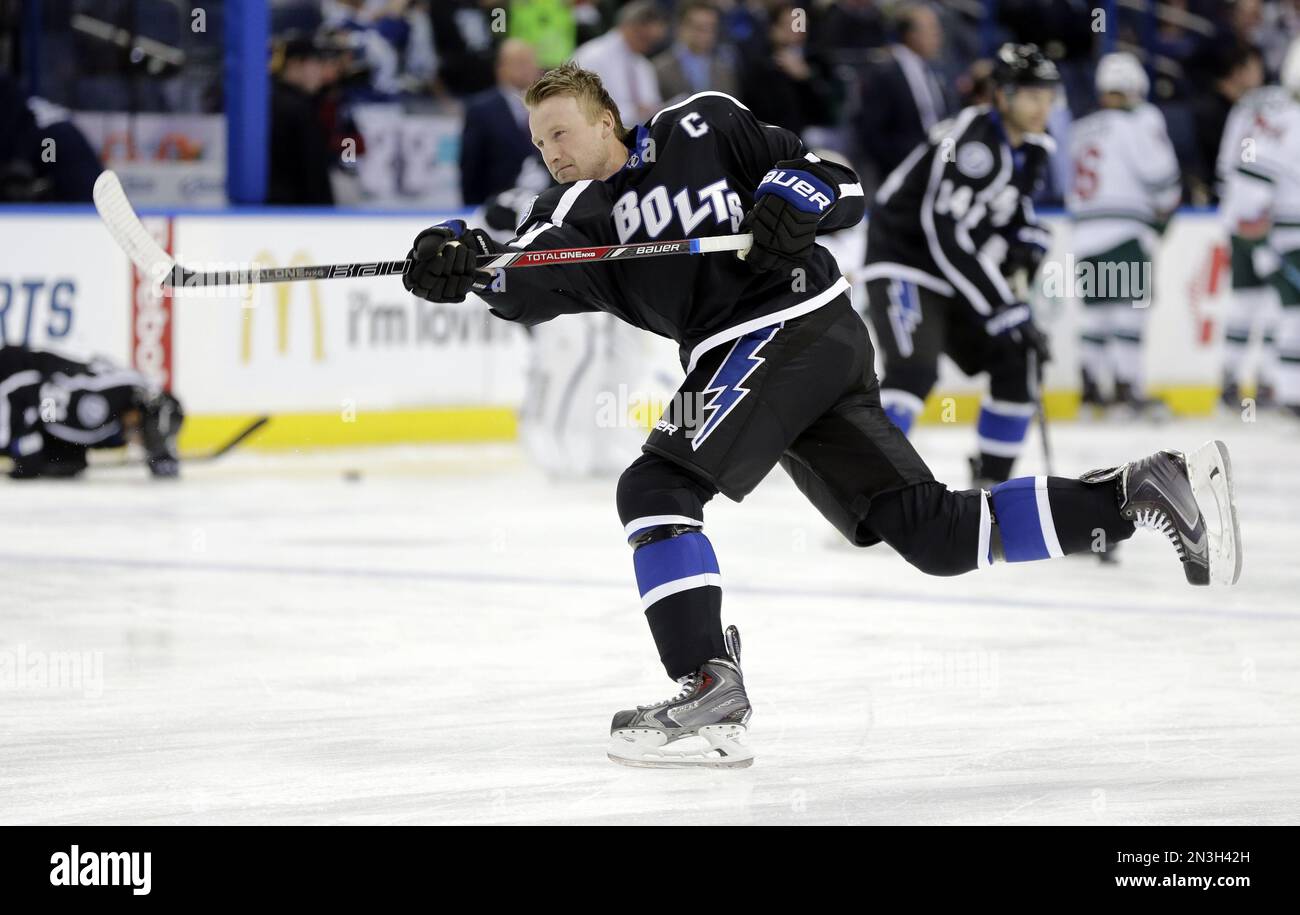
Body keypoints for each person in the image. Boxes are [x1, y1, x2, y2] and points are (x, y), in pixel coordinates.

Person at [400, 62, 1242, 768]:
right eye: (539, 141)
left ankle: (707, 686)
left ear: (609, 118)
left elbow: (836, 180)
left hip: (794, 321)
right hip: (771, 355)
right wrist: (459, 262)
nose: (551, 152)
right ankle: (1134, 492)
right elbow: (511, 279)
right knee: (934, 534)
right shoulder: (570, 224)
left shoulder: (702, 125)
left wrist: (799, 198)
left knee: (655, 487)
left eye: (563, 132)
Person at [863, 43, 1056, 488]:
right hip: (903, 262)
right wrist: (1002, 305)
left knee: (1016, 357)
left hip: (949, 276)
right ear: (1002, 96)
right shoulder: (973, 144)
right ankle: (870, 493)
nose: (1041, 107)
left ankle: (990, 487)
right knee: (913, 370)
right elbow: (945, 233)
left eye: (1047, 97)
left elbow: (1009, 213)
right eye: (1030, 95)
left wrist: (1026, 238)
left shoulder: (1032, 149)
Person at [1066, 52, 1181, 419]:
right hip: (1124, 230)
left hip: (1084, 232)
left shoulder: (1081, 127)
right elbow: (1160, 176)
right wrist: (1165, 208)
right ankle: (1128, 390)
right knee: (1130, 313)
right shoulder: (1139, 120)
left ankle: (1090, 394)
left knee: (1096, 316)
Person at [1225, 38, 1300, 419]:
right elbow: (1253, 181)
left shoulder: (1268, 111)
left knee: (1262, 309)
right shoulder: (1288, 119)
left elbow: (1238, 174)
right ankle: (1286, 390)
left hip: (1263, 226)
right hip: (1282, 232)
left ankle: (1259, 384)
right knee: (1288, 315)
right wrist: (1260, 240)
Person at [0, 346, 182, 479]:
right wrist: (24, 441)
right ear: (136, 415)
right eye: (150, 433)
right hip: (10, 378)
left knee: (69, 462)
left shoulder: (126, 401)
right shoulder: (98, 405)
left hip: (24, 387)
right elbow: (35, 392)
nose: (144, 441)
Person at [1217, 76, 1290, 409]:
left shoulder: (1247, 103)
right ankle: (1270, 384)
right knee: (1281, 303)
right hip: (1265, 218)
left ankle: (1230, 383)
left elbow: (1224, 166)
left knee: (1244, 301)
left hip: (1238, 212)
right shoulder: (1289, 110)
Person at [858, 3, 951, 185]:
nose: (938, 35)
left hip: (934, 168)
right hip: (900, 172)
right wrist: (902, 166)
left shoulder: (933, 72)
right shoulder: (884, 72)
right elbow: (872, 132)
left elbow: (945, 122)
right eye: (931, 29)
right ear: (911, 34)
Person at [460, 39, 545, 206]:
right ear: (501, 69)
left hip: (543, 210)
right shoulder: (481, 110)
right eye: (520, 63)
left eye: (531, 62)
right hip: (497, 210)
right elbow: (471, 168)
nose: (528, 69)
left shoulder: (550, 107)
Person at [572, 0, 667, 126]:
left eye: (652, 42)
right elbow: (580, 106)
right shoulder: (591, 56)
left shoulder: (643, 65)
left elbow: (652, 106)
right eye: (645, 39)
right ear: (631, 28)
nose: (648, 47)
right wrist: (634, 111)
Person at [653, 0, 741, 105]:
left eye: (711, 28)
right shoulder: (658, 68)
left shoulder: (725, 70)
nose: (706, 34)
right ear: (680, 27)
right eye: (699, 28)